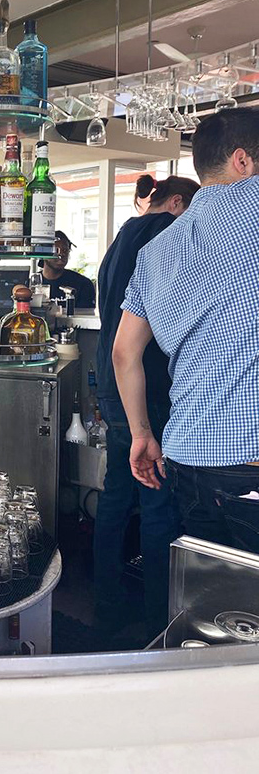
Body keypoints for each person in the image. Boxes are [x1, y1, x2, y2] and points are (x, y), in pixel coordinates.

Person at [113, 107, 259, 551]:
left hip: (187, 460)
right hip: (250, 464)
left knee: (212, 610)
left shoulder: (158, 249)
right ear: (242, 161)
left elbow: (124, 353)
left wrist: (141, 435)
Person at [94, 173, 200, 637]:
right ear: (176, 202)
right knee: (159, 506)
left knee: (115, 498)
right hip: (149, 390)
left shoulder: (120, 239)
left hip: (114, 389)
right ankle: (161, 621)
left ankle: (107, 605)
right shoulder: (168, 238)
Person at [39, 230, 96, 309]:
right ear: (43, 253)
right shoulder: (34, 283)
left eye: (65, 250)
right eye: (56, 250)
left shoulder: (83, 284)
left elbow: (86, 316)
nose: (61, 254)